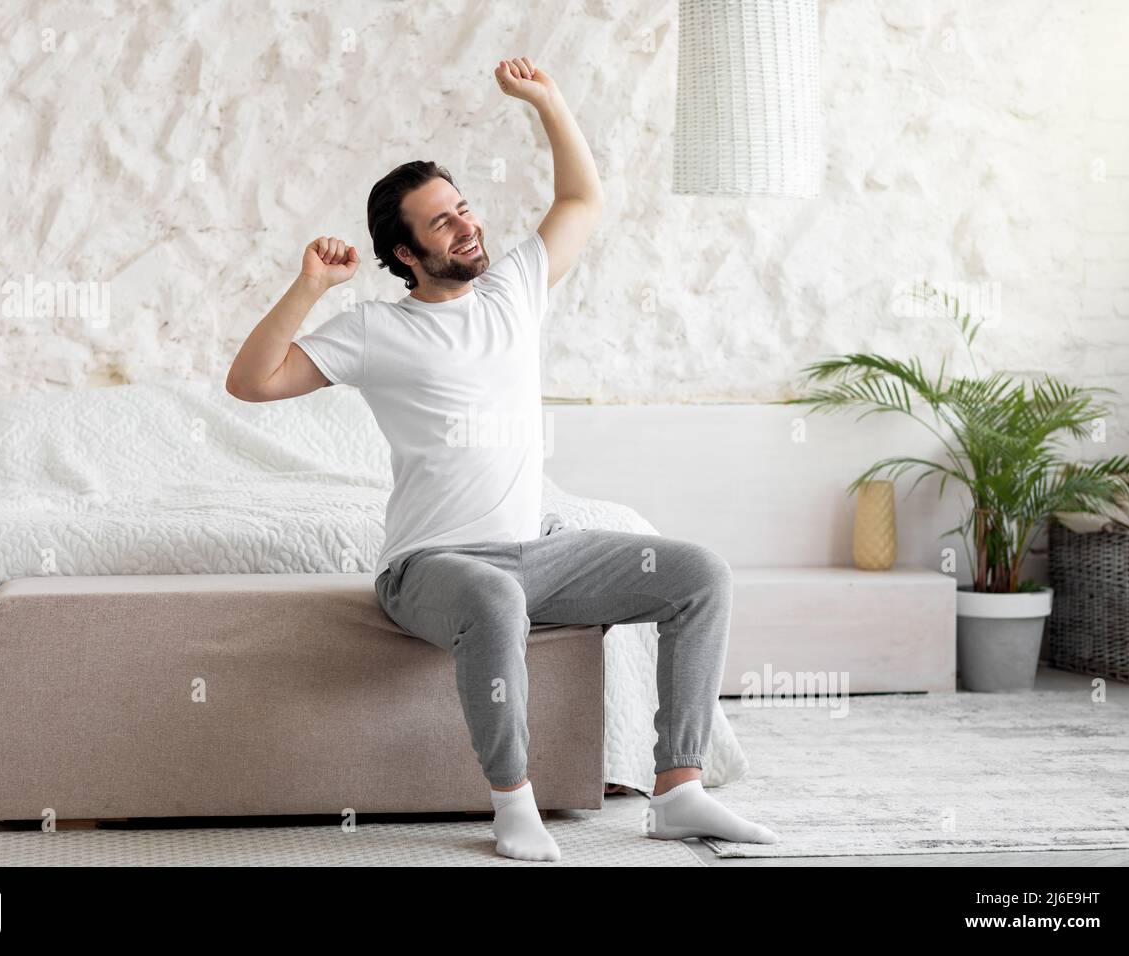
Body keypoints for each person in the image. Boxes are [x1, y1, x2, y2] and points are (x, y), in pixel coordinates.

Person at [227, 56, 778, 862]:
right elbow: (251, 382)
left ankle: (680, 792)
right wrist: (310, 286)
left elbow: (583, 199)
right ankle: (513, 805)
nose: (467, 226)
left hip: (541, 553)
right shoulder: (377, 330)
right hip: (431, 566)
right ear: (406, 254)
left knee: (697, 573)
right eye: (443, 222)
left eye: (464, 208)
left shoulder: (513, 288)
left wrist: (547, 101)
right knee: (488, 595)